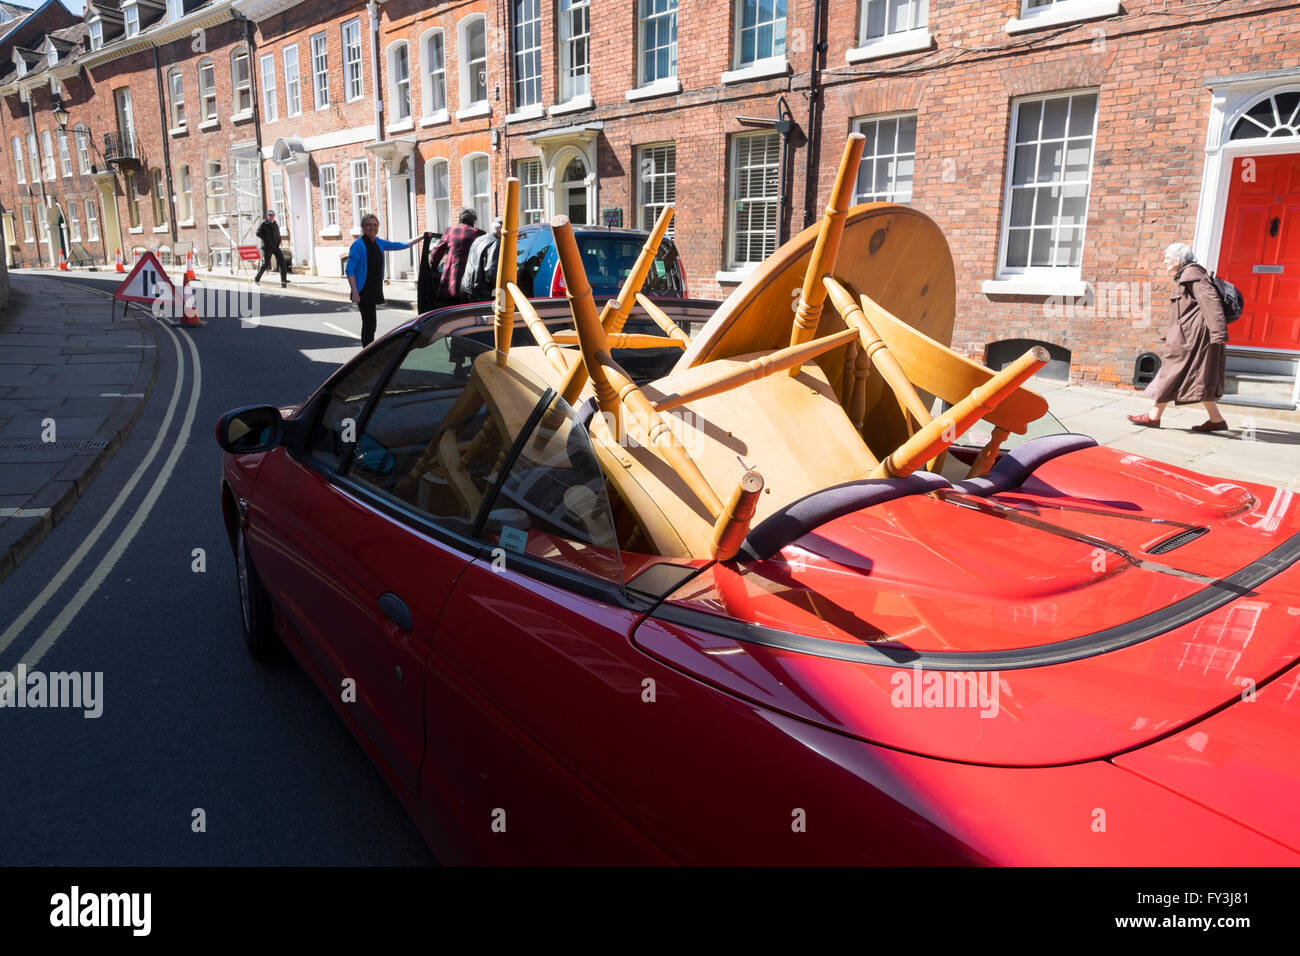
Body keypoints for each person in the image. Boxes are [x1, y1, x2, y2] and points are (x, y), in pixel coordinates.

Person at [1128, 242, 1229, 432]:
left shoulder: (1193, 274)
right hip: (1188, 335)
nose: (1165, 261)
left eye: (1168, 257)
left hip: (1193, 337)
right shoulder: (1186, 275)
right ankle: (1216, 420)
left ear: (1179, 259)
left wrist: (1219, 333)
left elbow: (1211, 302)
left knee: (1171, 372)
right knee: (1199, 377)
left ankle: (1153, 416)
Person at [345, 214, 428, 347]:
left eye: (375, 225)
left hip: (374, 288)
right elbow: (350, 270)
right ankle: (366, 353)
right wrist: (355, 292)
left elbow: (401, 245)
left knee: (371, 323)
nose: (372, 228)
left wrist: (422, 237)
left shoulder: (379, 242)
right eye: (368, 225)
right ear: (363, 227)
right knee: (369, 323)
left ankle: (367, 350)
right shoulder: (358, 245)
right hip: (363, 289)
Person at [427, 208, 484, 309]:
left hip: (451, 282)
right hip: (471, 283)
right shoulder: (480, 234)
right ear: (474, 221)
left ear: (460, 220)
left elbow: (436, 253)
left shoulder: (450, 231)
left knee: (449, 315)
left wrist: (433, 268)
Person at [461, 216, 503, 302]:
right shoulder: (496, 243)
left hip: (466, 288)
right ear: (500, 230)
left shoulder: (479, 239)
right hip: (480, 293)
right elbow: (491, 271)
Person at [254, 209, 289, 287]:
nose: (271, 217)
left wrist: (278, 241)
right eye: (270, 215)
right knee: (266, 264)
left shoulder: (275, 224)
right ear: (267, 216)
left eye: (272, 215)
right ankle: (257, 278)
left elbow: (278, 234)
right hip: (267, 247)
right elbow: (258, 233)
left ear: (274, 216)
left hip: (276, 247)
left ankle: (284, 281)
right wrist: (266, 240)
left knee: (282, 262)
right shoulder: (263, 223)